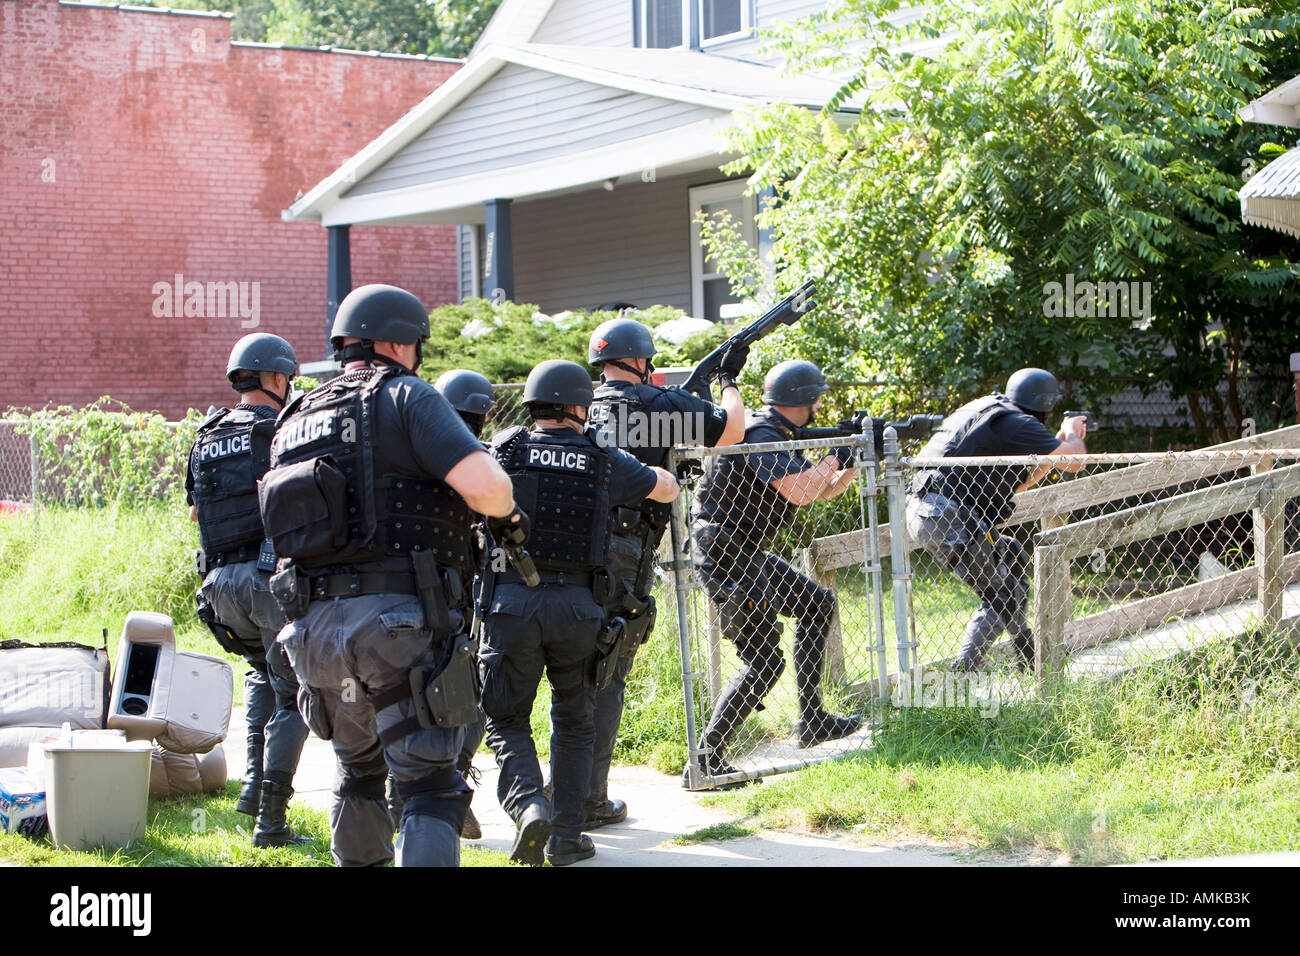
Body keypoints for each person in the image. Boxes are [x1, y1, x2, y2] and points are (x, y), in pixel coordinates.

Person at [260, 284, 522, 867]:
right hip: (397, 629)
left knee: (357, 773)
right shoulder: (406, 394)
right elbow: (487, 488)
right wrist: (507, 515)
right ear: (401, 344)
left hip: (314, 633)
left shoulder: (294, 416)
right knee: (430, 786)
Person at [481, 359, 678, 866]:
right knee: (574, 721)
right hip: (578, 608)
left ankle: (529, 804)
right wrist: (658, 471)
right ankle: (567, 839)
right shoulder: (602, 457)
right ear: (577, 406)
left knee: (506, 717)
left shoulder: (504, 449)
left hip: (511, 605)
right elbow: (665, 489)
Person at [577, 316, 747, 827]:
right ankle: (588, 799)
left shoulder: (581, 405)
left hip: (573, 546)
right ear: (640, 359)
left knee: (573, 664)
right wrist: (728, 380)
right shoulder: (658, 404)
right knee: (609, 666)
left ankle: (564, 786)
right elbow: (732, 432)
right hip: (626, 548)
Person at [687, 359, 861, 788]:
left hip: (744, 550)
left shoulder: (782, 435)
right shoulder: (762, 435)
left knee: (817, 604)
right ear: (805, 399)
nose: (819, 406)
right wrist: (833, 457)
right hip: (725, 552)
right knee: (764, 661)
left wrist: (850, 462)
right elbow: (800, 491)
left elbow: (820, 490)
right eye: (816, 399)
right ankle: (706, 761)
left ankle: (812, 719)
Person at [187, 332, 311, 847]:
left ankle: (253, 791)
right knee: (298, 694)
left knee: (263, 672)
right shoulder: (280, 430)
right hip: (267, 582)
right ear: (277, 377)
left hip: (218, 586)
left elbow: (195, 514)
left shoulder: (206, 435)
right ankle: (271, 823)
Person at [906, 367, 1087, 671]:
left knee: (1011, 556)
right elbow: (1077, 460)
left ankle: (1028, 654)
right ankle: (965, 669)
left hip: (929, 510)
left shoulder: (992, 411)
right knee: (1003, 595)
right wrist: (1071, 432)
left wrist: (1052, 450)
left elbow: (1021, 482)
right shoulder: (1019, 423)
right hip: (946, 514)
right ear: (1046, 403)